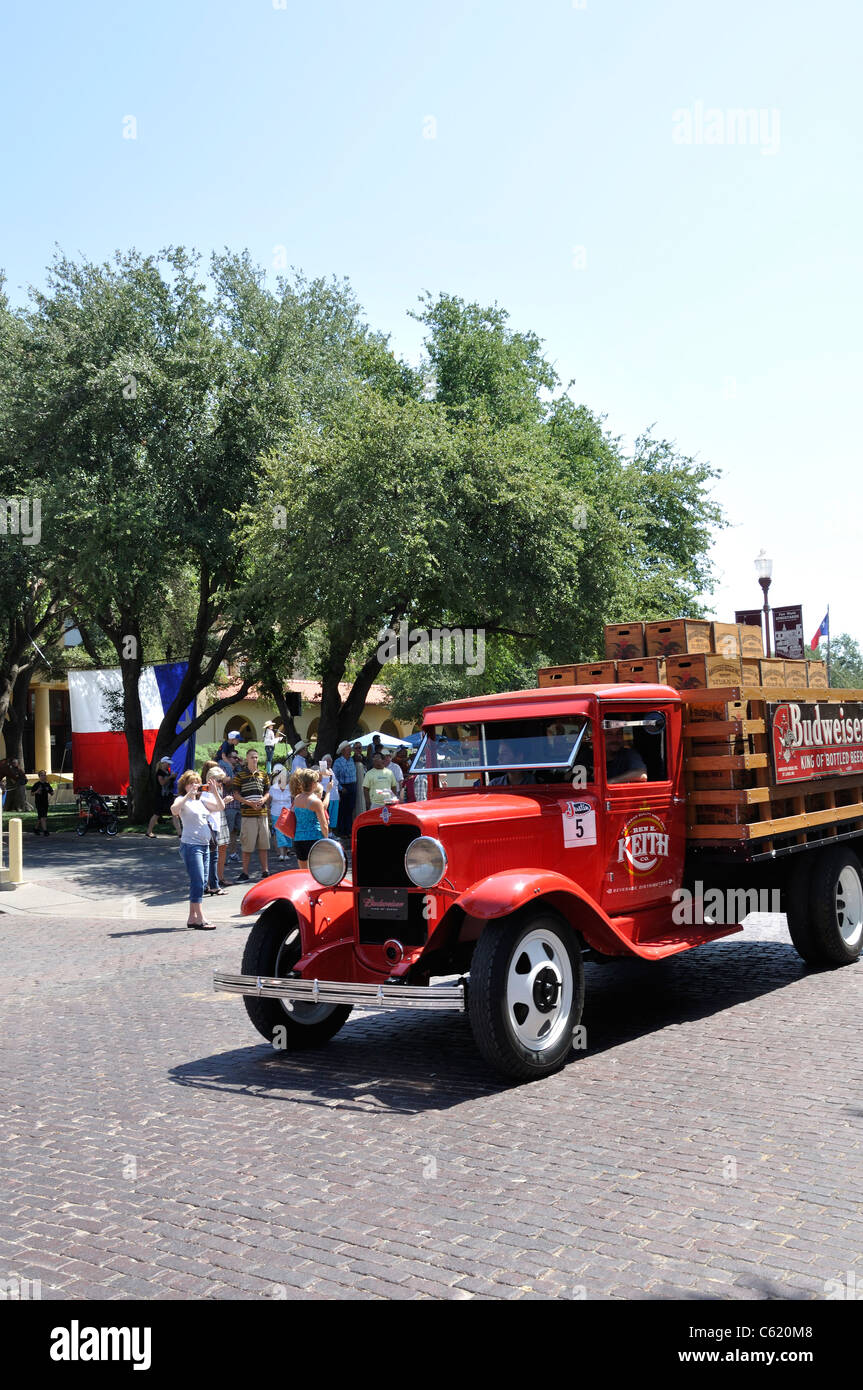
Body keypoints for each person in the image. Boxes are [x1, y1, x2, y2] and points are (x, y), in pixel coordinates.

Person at [171, 770, 216, 930]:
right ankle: (200, 917)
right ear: (185, 785)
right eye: (191, 783)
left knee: (201, 882)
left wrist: (215, 791)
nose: (195, 785)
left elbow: (220, 807)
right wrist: (188, 794)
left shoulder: (200, 801)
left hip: (204, 845)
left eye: (197, 782)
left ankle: (192, 917)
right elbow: (174, 810)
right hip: (191, 845)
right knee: (197, 881)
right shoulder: (181, 800)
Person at [231, 748, 271, 881]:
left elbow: (267, 792)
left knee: (264, 844)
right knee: (247, 845)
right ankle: (245, 872)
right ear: (247, 758)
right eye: (252, 757)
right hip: (248, 815)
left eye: (256, 757)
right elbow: (236, 794)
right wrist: (249, 803)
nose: (255, 759)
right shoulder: (240, 775)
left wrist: (263, 800)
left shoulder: (263, 774)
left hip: (262, 813)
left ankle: (265, 871)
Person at [289, 767, 331, 869]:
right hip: (314, 839)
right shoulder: (316, 802)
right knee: (318, 872)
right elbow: (323, 824)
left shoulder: (297, 798)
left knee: (303, 873)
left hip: (299, 839)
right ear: (313, 784)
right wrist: (326, 839)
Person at [200, 762, 229, 892]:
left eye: (221, 781)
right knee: (212, 857)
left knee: (210, 857)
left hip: (213, 826)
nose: (221, 783)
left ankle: (209, 884)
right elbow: (217, 807)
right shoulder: (206, 791)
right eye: (219, 780)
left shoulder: (211, 791)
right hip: (209, 827)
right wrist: (224, 800)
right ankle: (213, 885)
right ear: (212, 780)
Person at [268, 763, 293, 862]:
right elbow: (268, 801)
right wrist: (268, 812)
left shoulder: (290, 788)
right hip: (276, 813)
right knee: (279, 833)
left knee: (287, 833)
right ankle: (282, 854)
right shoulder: (273, 788)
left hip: (287, 813)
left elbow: (293, 800)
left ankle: (285, 852)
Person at [146, 759, 176, 837]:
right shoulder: (160, 772)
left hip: (168, 795)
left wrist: (173, 777)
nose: (169, 765)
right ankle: (149, 831)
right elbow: (162, 783)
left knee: (174, 812)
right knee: (156, 814)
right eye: (168, 764)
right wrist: (170, 777)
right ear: (163, 763)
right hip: (161, 796)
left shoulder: (167, 772)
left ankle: (179, 831)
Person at [333, 741, 357, 837]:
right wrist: (340, 788)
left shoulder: (351, 760)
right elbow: (335, 776)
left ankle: (349, 830)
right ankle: (342, 831)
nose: (350, 749)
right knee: (343, 810)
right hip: (343, 787)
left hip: (352, 786)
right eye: (348, 748)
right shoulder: (338, 762)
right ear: (343, 750)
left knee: (350, 809)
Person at [318, 754, 339, 830]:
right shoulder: (321, 772)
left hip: (335, 797)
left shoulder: (331, 770)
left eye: (330, 761)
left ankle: (331, 832)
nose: (329, 762)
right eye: (327, 761)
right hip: (327, 797)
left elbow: (335, 784)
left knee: (333, 817)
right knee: (327, 816)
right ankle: (327, 833)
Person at [31, 769, 54, 834]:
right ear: (39, 776)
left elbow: (52, 793)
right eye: (42, 775)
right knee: (43, 817)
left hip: (45, 802)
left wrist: (49, 790)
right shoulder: (36, 784)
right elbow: (32, 794)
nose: (44, 777)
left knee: (41, 817)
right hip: (39, 802)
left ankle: (35, 829)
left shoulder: (47, 784)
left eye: (44, 775)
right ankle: (45, 831)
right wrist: (37, 791)